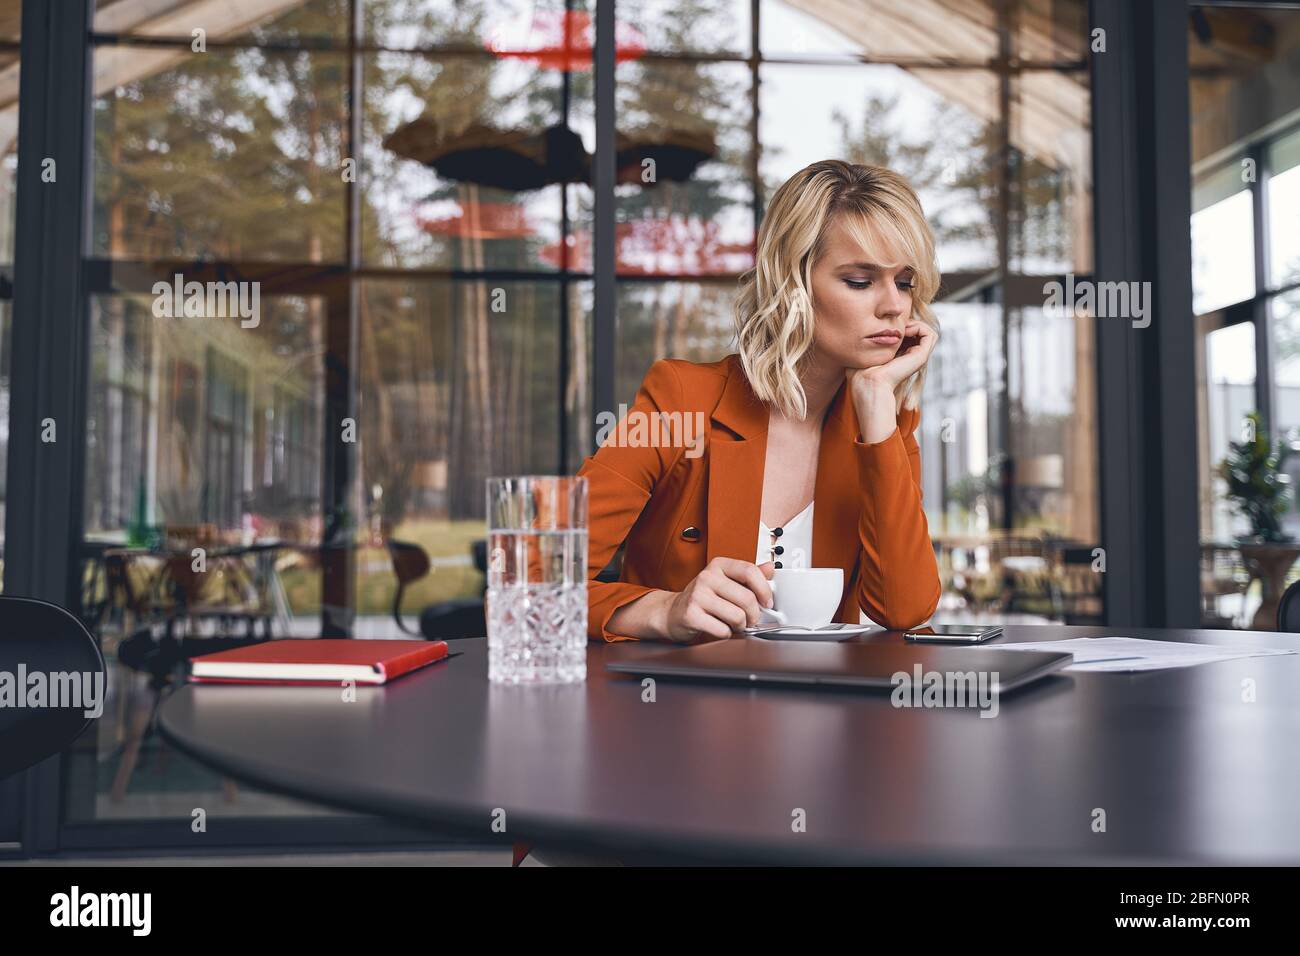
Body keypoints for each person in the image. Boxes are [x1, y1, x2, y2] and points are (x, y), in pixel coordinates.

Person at [578, 159, 942, 643]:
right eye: (859, 280)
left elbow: (904, 609)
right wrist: (662, 611)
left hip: (829, 708)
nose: (894, 305)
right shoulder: (681, 401)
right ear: (792, 282)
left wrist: (877, 403)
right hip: (679, 709)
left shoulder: (882, 424)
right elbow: (531, 580)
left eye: (904, 282)